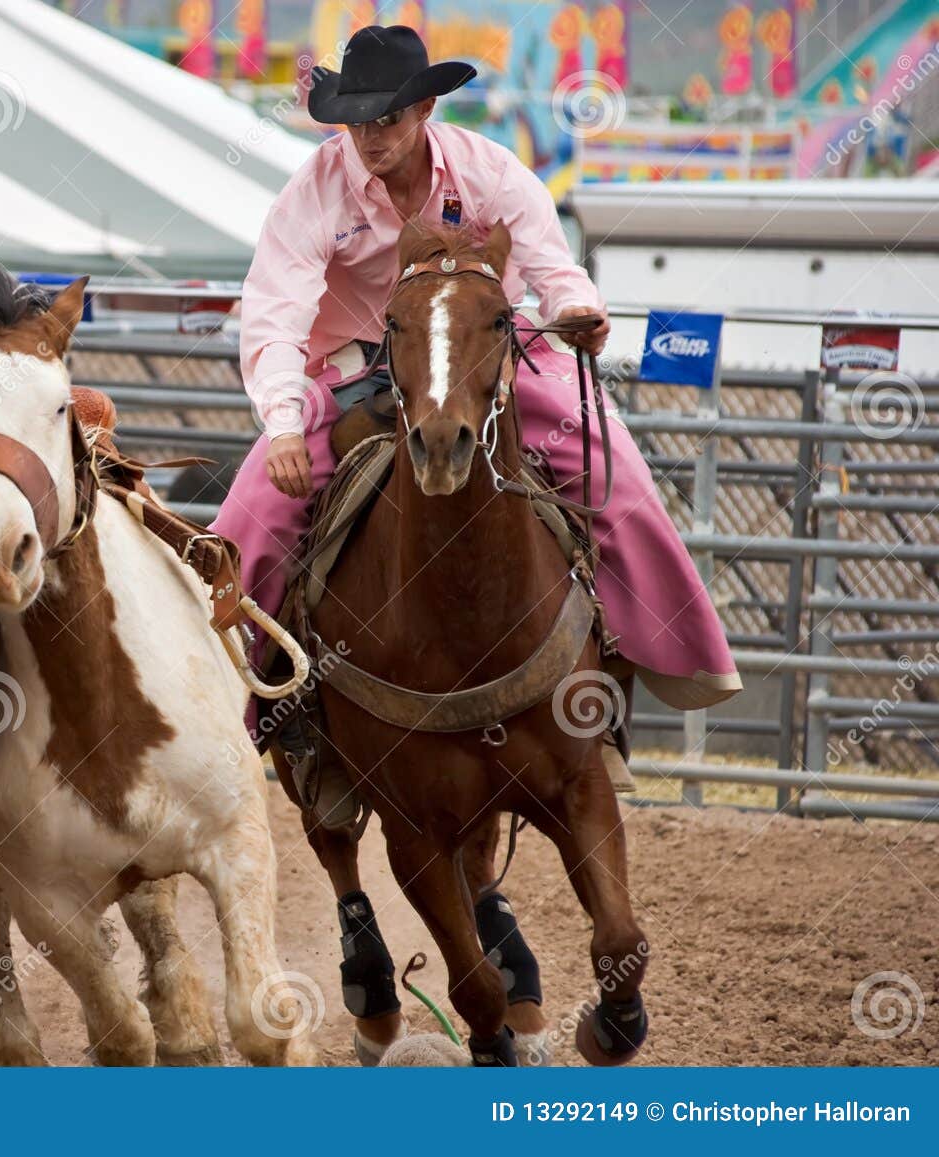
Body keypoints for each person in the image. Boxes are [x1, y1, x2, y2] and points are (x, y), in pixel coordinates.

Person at [211, 26, 741, 825]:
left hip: (482, 359)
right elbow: (274, 312)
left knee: (608, 465)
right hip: (356, 371)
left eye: (386, 119)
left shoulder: (490, 171)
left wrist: (575, 312)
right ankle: (226, 714)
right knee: (251, 513)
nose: (371, 137)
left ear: (424, 108)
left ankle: (644, 659)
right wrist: (284, 423)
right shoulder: (315, 189)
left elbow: (552, 266)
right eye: (356, 121)